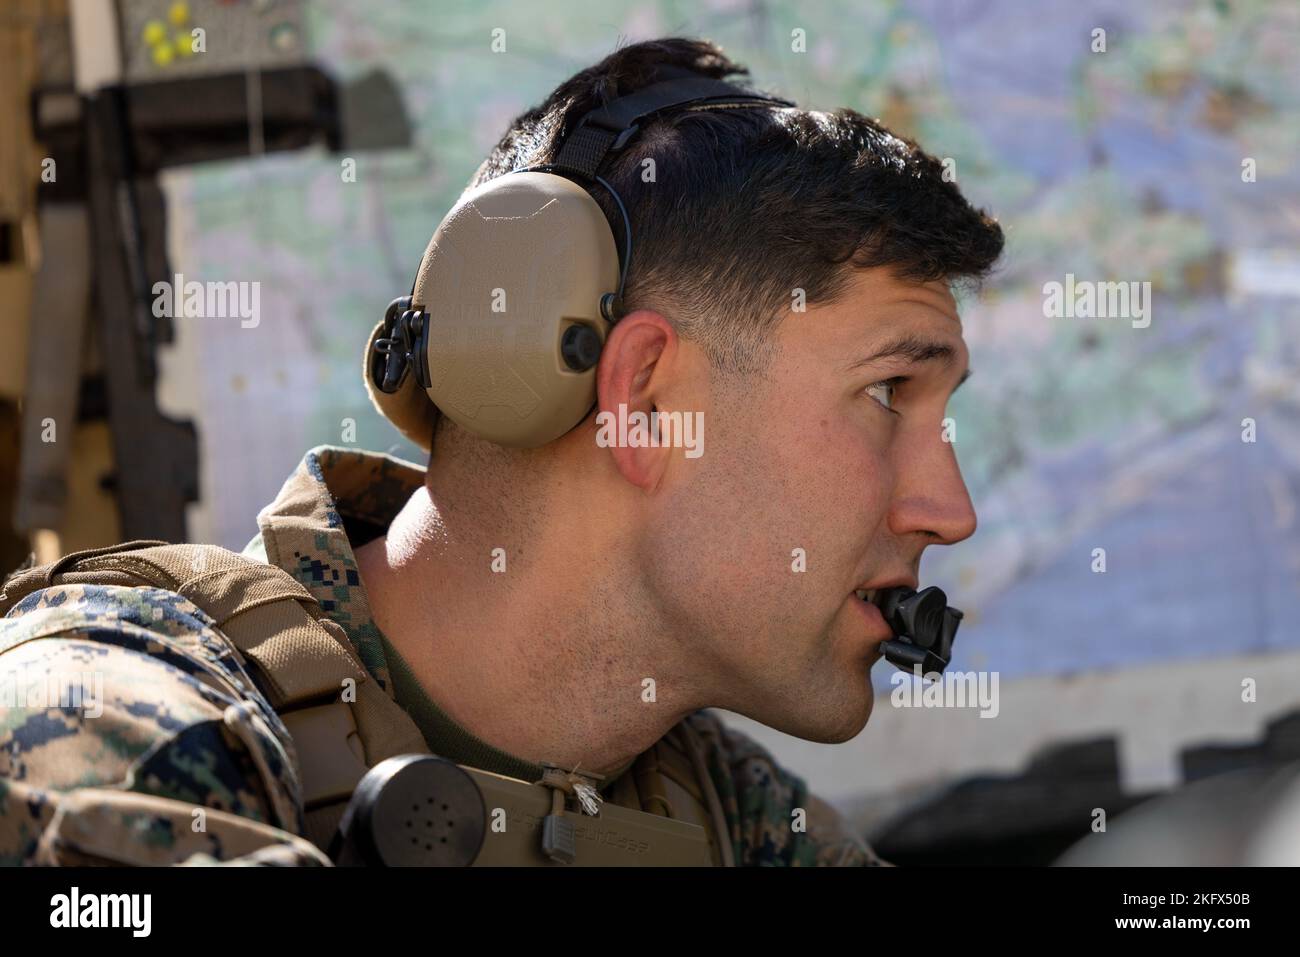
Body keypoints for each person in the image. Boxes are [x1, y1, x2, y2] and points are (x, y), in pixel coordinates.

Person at [0, 36, 1002, 866]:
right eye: (885, 394)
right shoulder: (116, 719)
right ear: (644, 405)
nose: (947, 509)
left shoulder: (724, 811)